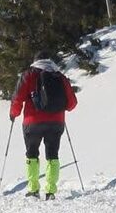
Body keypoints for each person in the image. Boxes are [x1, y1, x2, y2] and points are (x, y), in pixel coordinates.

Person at [9, 54, 77, 200]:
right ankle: (51, 191)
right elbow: (72, 104)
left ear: (35, 61)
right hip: (56, 122)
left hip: (32, 122)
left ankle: (33, 189)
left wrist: (13, 113)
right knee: (53, 155)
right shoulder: (60, 76)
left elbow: (17, 97)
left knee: (32, 154)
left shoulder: (29, 74)